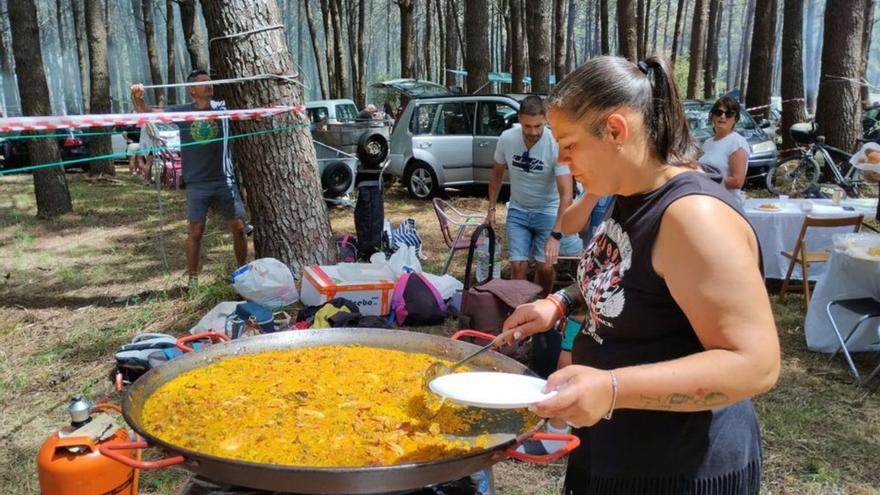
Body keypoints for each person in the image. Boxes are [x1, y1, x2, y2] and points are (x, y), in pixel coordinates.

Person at [497, 56, 780, 494]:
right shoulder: (627, 191)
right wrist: (560, 302)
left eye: (569, 145)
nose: (563, 160)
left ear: (615, 130)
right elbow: (628, 275)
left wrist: (611, 388)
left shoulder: (693, 218)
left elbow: (756, 365)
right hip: (614, 450)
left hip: (679, 469)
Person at [130, 70, 248, 291]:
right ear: (192, 90)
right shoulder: (183, 112)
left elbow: (250, 111)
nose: (209, 85)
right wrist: (137, 98)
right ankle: (192, 281)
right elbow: (147, 113)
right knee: (195, 232)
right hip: (197, 183)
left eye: (210, 81)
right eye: (203, 83)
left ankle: (243, 275)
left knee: (239, 228)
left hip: (224, 180)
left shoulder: (223, 108)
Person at [486, 94, 583, 294]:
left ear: (545, 120)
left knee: (545, 267)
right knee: (518, 266)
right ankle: (517, 307)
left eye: (538, 126)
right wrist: (491, 209)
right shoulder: (507, 139)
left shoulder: (555, 144)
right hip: (518, 210)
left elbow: (566, 194)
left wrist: (556, 235)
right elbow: (496, 174)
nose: (533, 132)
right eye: (527, 126)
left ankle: (542, 304)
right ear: (519, 119)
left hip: (548, 211)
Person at [698, 96, 750, 203]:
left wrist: (706, 180)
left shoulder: (737, 143)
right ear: (713, 116)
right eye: (718, 112)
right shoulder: (707, 143)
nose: (722, 116)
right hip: (706, 200)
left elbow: (737, 181)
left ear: (735, 119)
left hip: (726, 203)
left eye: (728, 114)